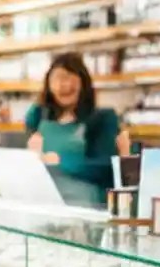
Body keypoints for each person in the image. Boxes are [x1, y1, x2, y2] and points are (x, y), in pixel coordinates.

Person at [24, 52, 120, 204]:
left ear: (83, 83)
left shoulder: (102, 119)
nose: (64, 85)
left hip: (85, 206)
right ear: (48, 84)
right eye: (57, 79)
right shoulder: (38, 116)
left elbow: (106, 167)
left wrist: (61, 161)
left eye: (70, 78)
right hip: (45, 202)